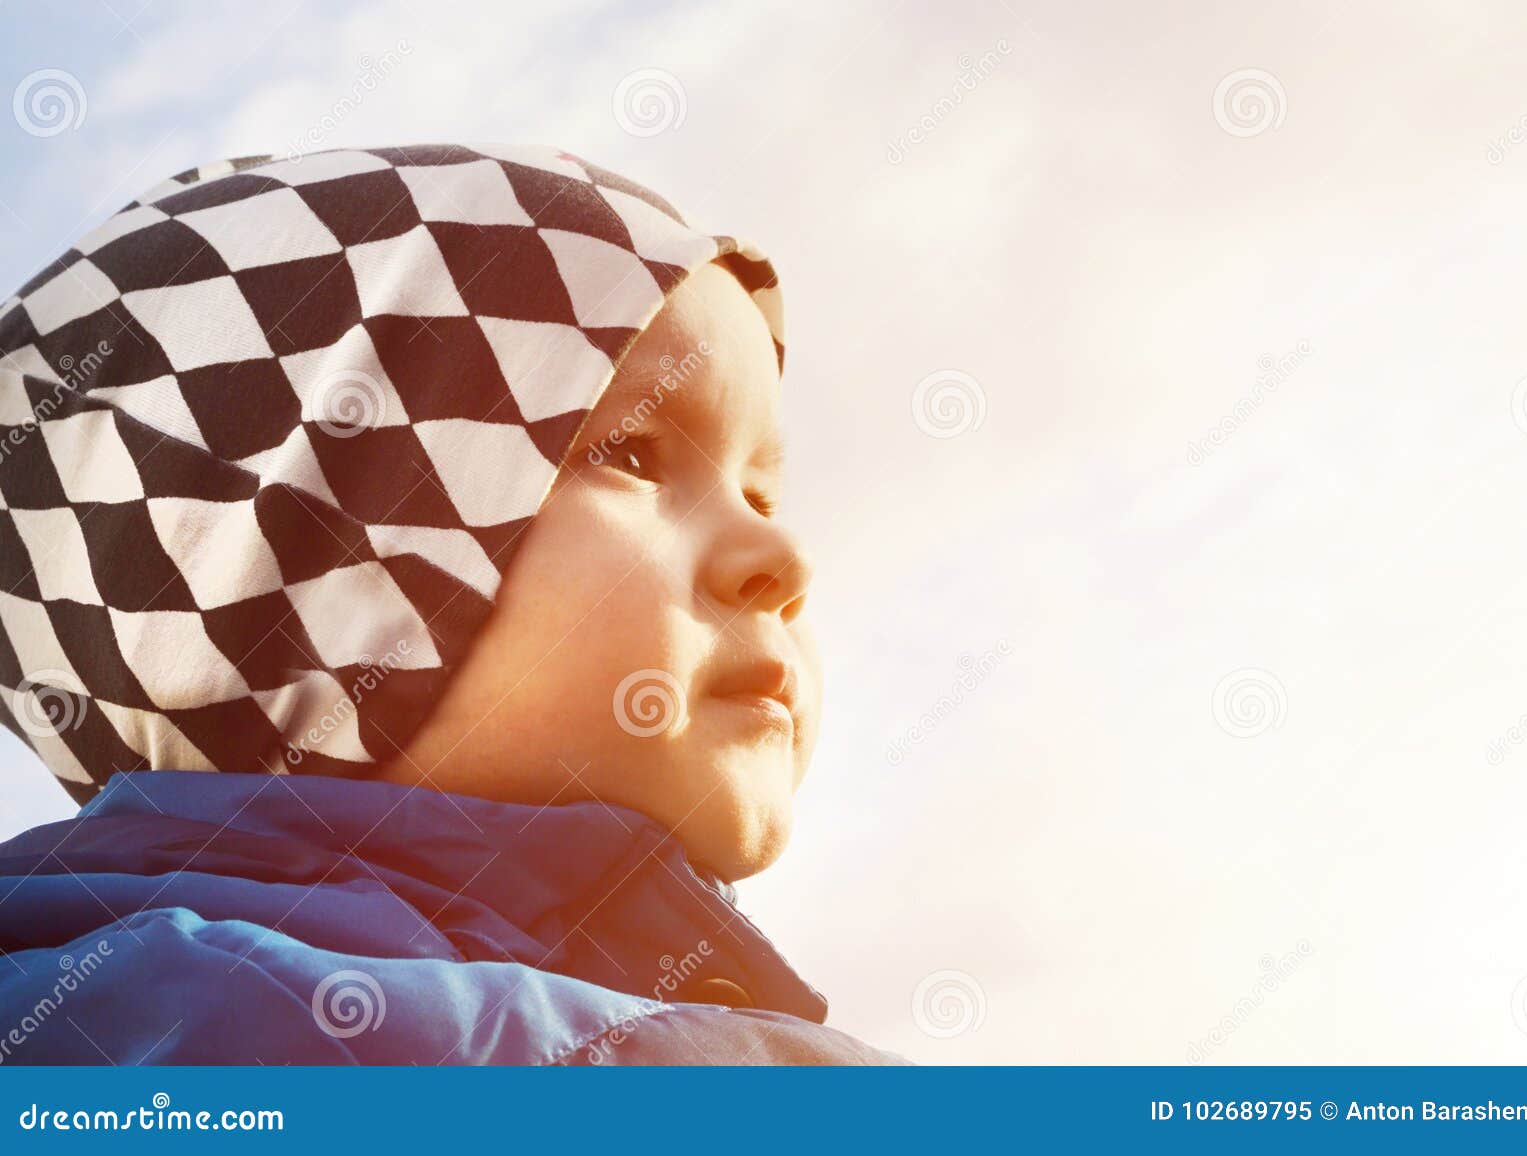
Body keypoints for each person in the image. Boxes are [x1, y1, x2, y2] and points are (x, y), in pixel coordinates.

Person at [0, 142, 906, 1065]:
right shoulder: (292, 1037)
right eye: (632, 456)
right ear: (319, 581)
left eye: (761, 496)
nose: (784, 556)